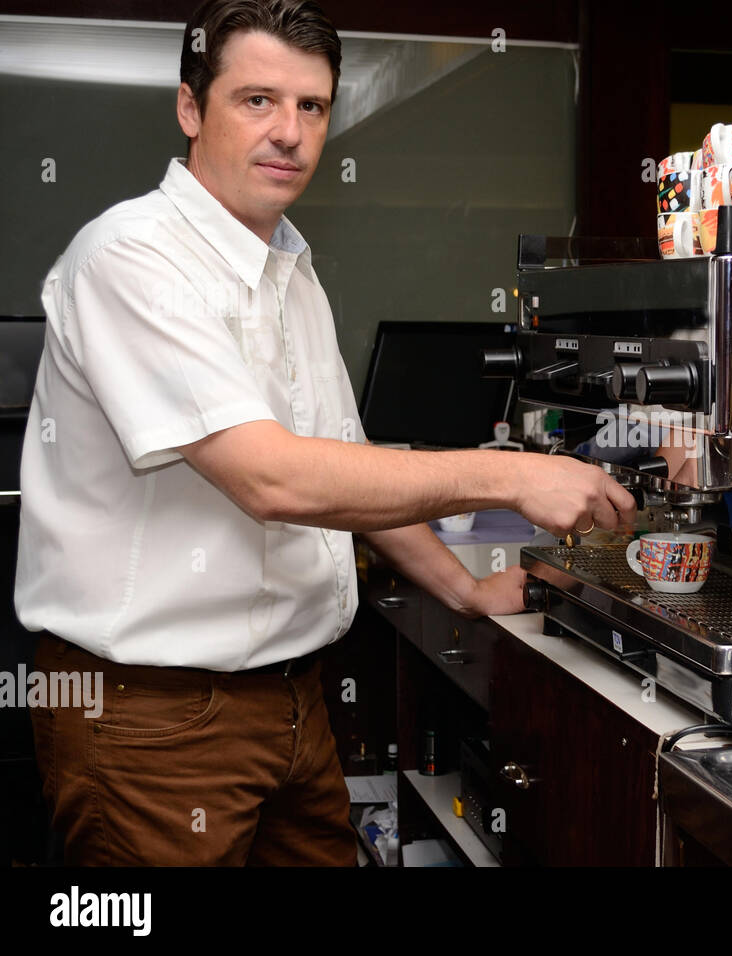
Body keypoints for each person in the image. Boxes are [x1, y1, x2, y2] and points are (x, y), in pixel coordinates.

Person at [15, 0, 633, 866]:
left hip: (295, 704)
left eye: (311, 107)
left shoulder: (292, 273)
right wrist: (513, 476)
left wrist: (462, 591)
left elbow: (348, 471)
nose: (290, 133)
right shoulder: (130, 258)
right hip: (151, 723)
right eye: (256, 100)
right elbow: (274, 479)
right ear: (191, 109)